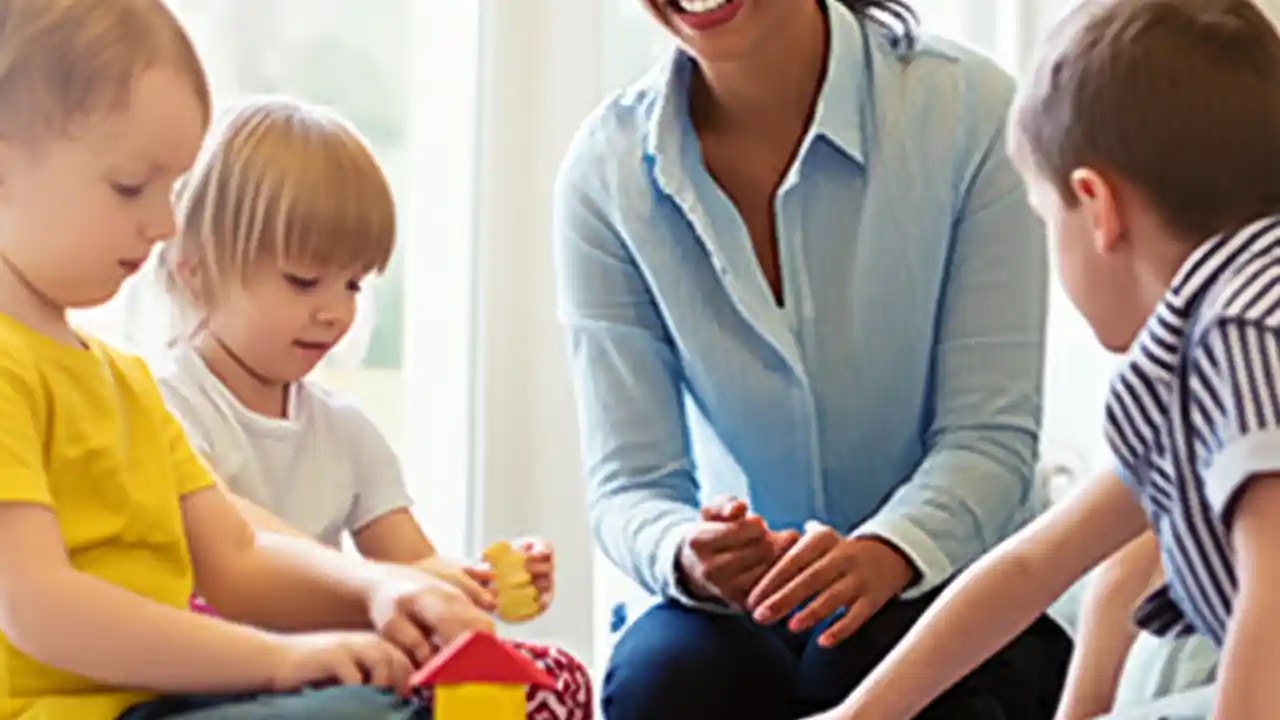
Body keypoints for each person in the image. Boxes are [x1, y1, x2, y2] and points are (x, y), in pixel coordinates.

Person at [552, 0, 1069, 717]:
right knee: (665, 681)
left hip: (952, 581)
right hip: (742, 611)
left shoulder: (971, 113)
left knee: (857, 663)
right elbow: (628, 486)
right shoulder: (605, 171)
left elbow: (990, 439)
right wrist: (687, 552)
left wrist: (889, 551)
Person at [0, 2, 497, 718]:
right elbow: (38, 606)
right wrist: (276, 660)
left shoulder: (124, 381)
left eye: (172, 189)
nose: (167, 223)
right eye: (131, 186)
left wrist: (379, 590)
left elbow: (236, 558)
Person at [805, 0, 1280, 718]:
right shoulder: (1196, 348)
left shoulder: (1243, 330)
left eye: (1042, 217)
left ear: (1096, 208)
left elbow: (1272, 597)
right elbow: (1040, 564)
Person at [153, 96, 591, 717]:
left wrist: (483, 582)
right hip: (224, 660)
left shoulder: (345, 430)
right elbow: (231, 539)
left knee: (554, 678)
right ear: (195, 271)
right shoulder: (163, 404)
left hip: (347, 656)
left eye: (353, 283)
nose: (335, 311)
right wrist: (380, 592)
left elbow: (411, 562)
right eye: (303, 281)